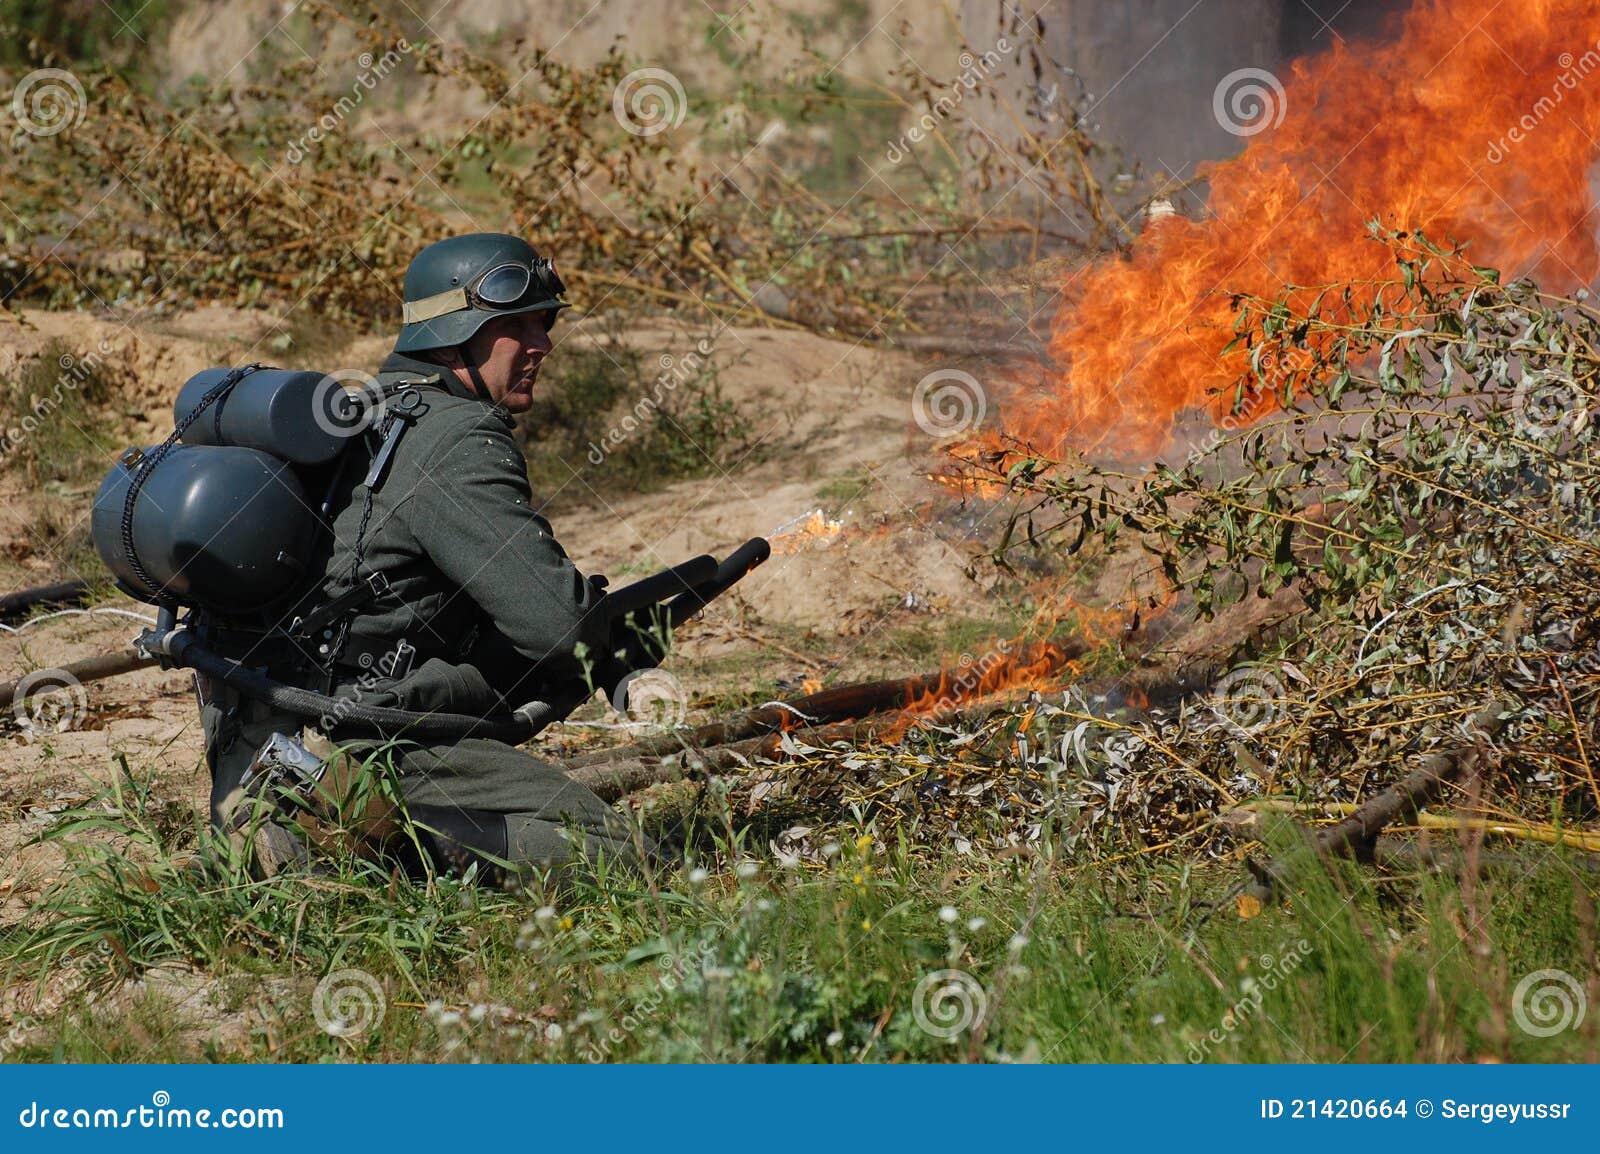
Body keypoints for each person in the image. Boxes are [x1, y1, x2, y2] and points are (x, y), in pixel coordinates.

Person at [200, 232, 651, 881]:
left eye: (545, 323)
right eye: (517, 326)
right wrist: (602, 634)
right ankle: (342, 840)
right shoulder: (455, 435)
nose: (543, 344)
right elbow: (558, 629)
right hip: (363, 737)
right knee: (611, 851)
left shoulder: (364, 409)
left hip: (253, 735)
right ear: (453, 334)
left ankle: (291, 819)